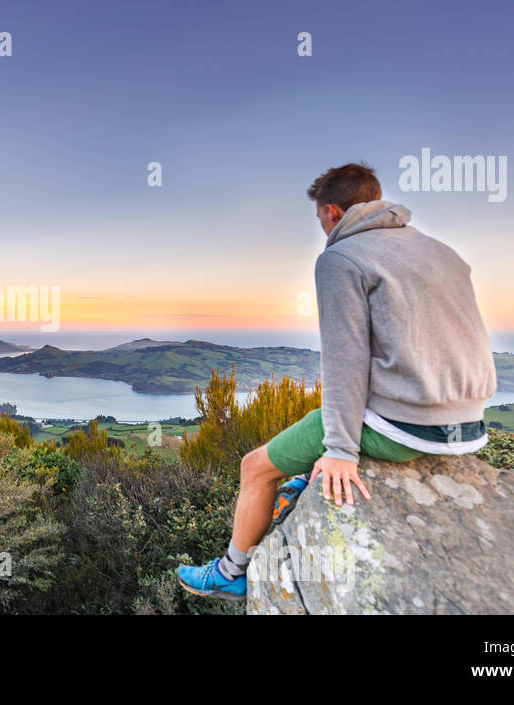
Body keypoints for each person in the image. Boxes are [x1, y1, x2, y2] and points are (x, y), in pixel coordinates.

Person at [177, 163, 497, 600]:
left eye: (319, 220)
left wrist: (341, 452)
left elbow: (346, 361)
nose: (321, 229)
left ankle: (230, 571)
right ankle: (302, 480)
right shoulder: (443, 252)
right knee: (320, 419)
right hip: (469, 427)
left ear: (331, 211)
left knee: (254, 468)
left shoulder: (341, 258)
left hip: (407, 428)